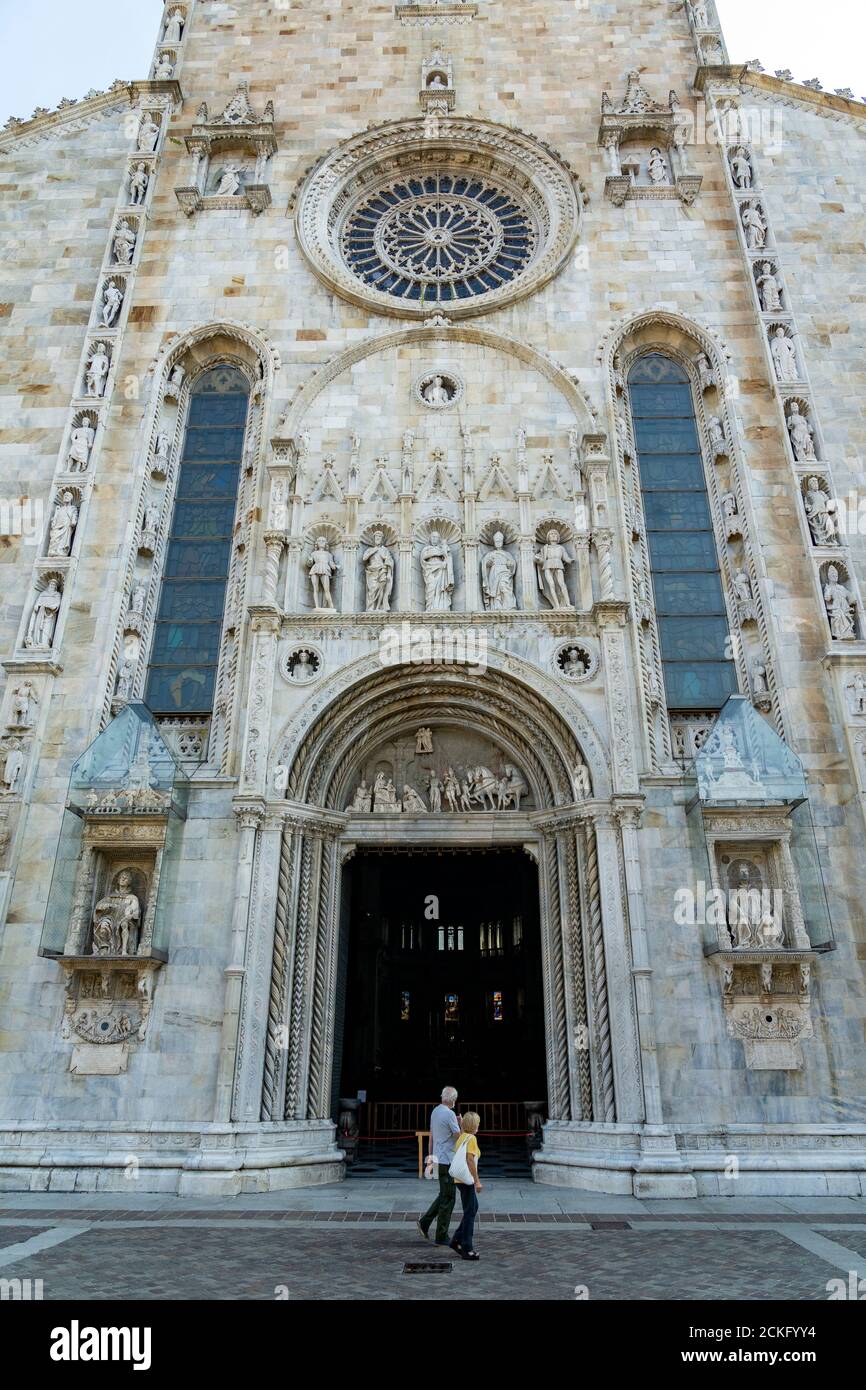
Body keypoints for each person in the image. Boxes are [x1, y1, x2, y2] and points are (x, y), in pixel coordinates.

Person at [418, 1085, 460, 1246]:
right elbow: (459, 1136)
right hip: (446, 1160)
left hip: (437, 1158)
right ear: (454, 1100)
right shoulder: (450, 1114)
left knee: (443, 1194)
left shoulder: (435, 1111)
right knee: (449, 1198)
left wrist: (429, 1157)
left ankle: (424, 1223)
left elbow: (432, 1136)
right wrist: (461, 1124)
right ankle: (441, 1234)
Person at [450, 1111, 482, 1262]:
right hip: (466, 1180)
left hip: (459, 1179)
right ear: (474, 1126)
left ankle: (456, 1239)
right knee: (470, 1212)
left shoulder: (462, 1137)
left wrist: (461, 1122)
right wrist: (477, 1181)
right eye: (477, 1124)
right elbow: (470, 1160)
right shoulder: (472, 1139)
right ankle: (467, 1248)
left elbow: (463, 1132)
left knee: (473, 1208)